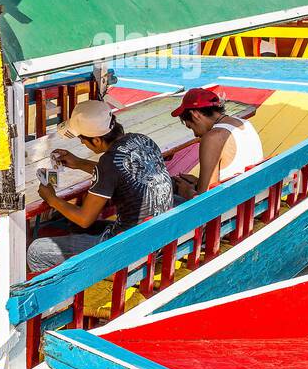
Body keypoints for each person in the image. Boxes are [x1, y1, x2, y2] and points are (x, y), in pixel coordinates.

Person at [28, 99, 172, 272]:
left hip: (131, 253)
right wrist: (79, 163)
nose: (82, 143)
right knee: (71, 224)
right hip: (159, 237)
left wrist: (52, 199)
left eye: (82, 139)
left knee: (36, 250)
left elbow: (84, 218)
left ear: (96, 140)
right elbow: (120, 173)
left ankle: (67, 294)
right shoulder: (141, 140)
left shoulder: (109, 162)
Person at [170, 87, 263, 202]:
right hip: (252, 200)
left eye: (191, 126)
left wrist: (187, 192)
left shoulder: (213, 137)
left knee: (165, 200)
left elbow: (205, 200)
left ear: (195, 115)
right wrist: (198, 182)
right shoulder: (245, 124)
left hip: (229, 211)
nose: (195, 134)